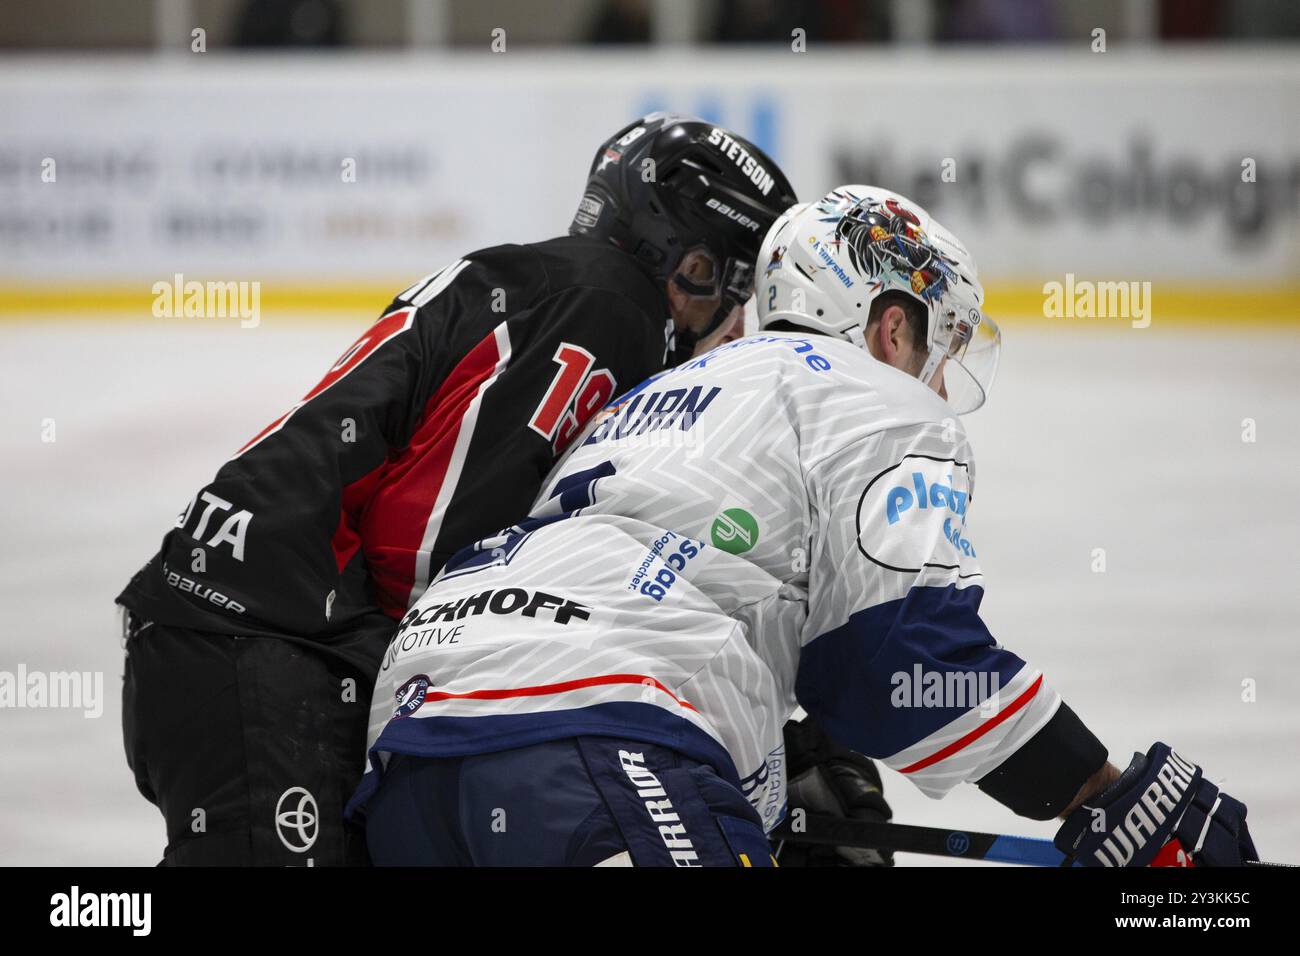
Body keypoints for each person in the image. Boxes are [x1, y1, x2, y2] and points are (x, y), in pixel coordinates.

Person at [348, 186, 1258, 868]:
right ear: (889, 328)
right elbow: (898, 665)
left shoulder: (657, 396)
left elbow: (687, 583)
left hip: (414, 747)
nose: (940, 387)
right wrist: (1100, 795)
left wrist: (774, 772)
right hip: (602, 741)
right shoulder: (877, 400)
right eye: (940, 348)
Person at [116, 113, 797, 865]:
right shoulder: (613, 309)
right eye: (730, 292)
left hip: (241, 621)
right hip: (265, 631)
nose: (732, 331)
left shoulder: (550, 281)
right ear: (688, 261)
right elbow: (419, 545)